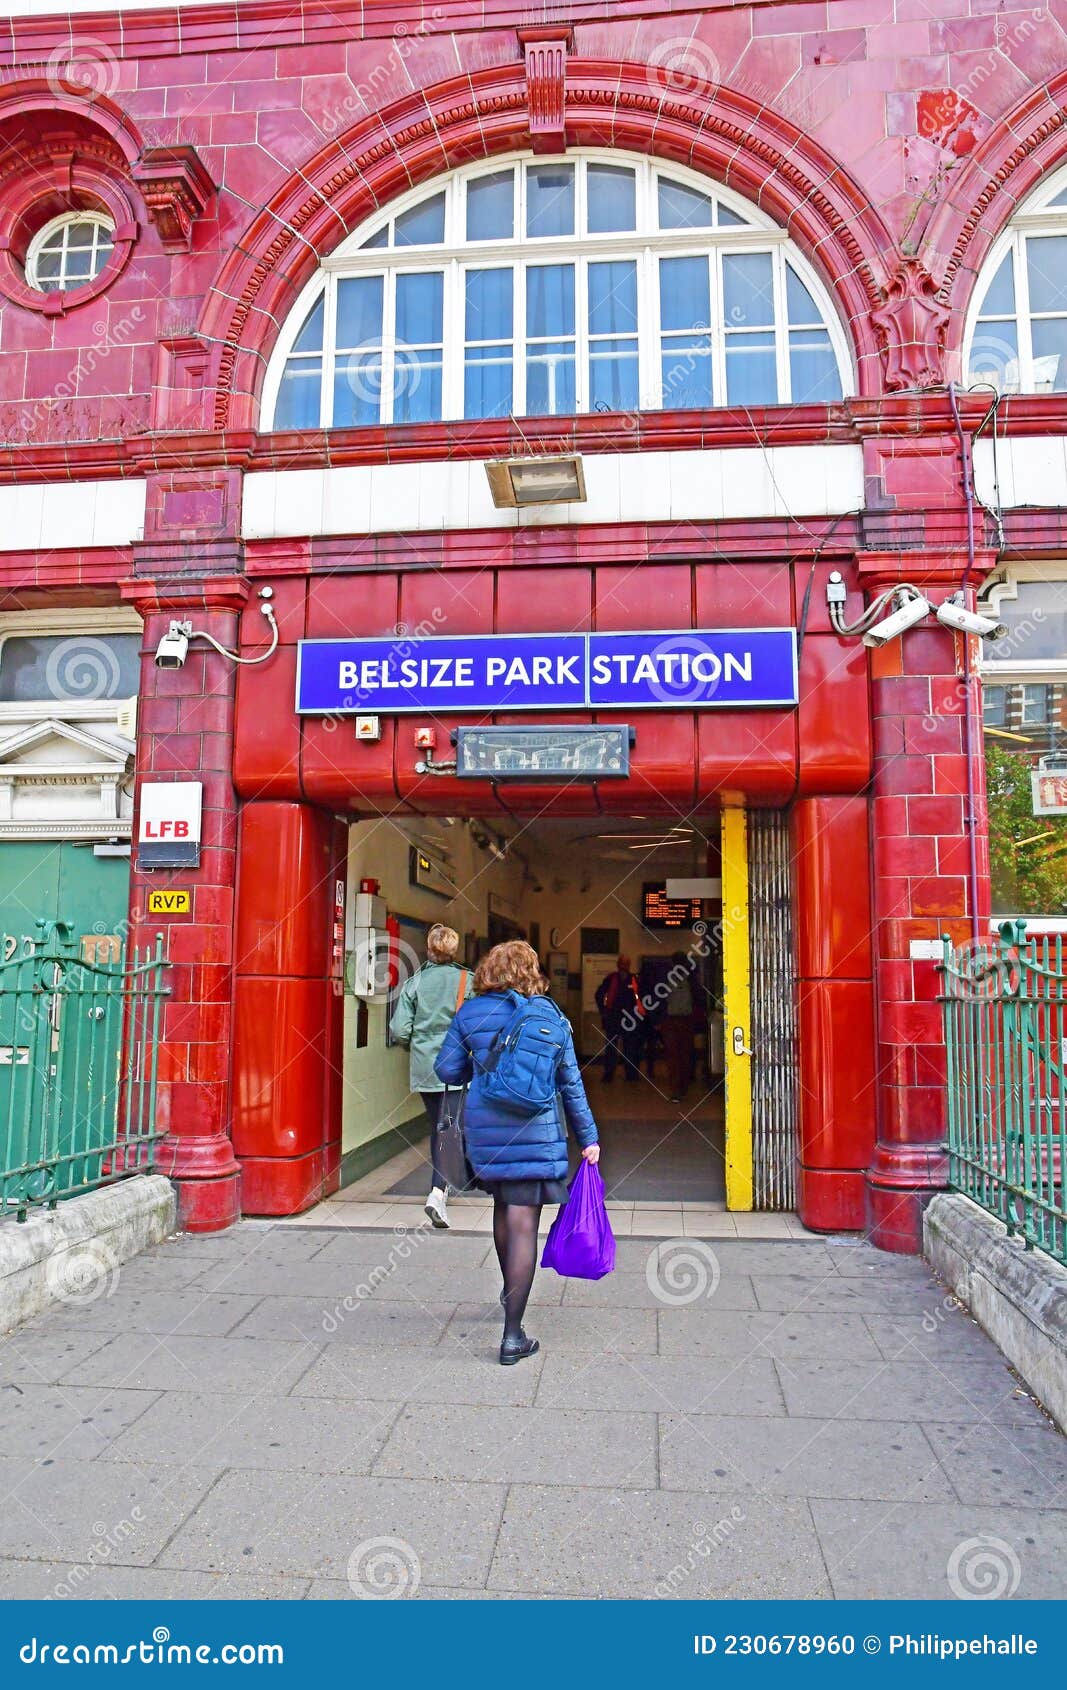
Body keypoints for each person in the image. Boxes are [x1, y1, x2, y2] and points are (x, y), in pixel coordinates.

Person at [435, 939, 599, 1366]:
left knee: (502, 1208)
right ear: (531, 972)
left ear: (489, 970)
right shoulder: (550, 1017)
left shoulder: (471, 1012)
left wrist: (481, 1065)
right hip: (536, 1135)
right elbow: (570, 1083)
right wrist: (589, 1137)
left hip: (487, 1133)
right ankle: (512, 1335)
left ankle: (510, 1294)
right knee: (524, 1223)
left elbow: (446, 1069)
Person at [389, 923, 470, 1230]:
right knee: (449, 1128)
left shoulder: (415, 983)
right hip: (457, 1064)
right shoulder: (467, 981)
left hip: (426, 1066)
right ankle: (438, 1192)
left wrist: (416, 1044)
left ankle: (444, 1185)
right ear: (454, 949)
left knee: (441, 1125)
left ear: (429, 949)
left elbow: (399, 1029)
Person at [595, 955, 643, 1082]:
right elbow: (599, 994)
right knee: (611, 1047)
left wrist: (638, 1016)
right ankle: (608, 1074)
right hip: (613, 1018)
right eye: (622, 963)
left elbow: (640, 997)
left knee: (630, 1047)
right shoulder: (611, 979)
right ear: (618, 965)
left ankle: (631, 1074)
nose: (624, 966)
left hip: (630, 1019)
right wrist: (603, 1011)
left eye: (626, 964)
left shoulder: (634, 979)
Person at [660, 951, 695, 1102]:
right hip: (676, 1021)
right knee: (678, 1056)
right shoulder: (686, 980)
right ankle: (678, 1089)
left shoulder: (688, 979)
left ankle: (680, 1088)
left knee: (679, 1056)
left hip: (680, 1020)